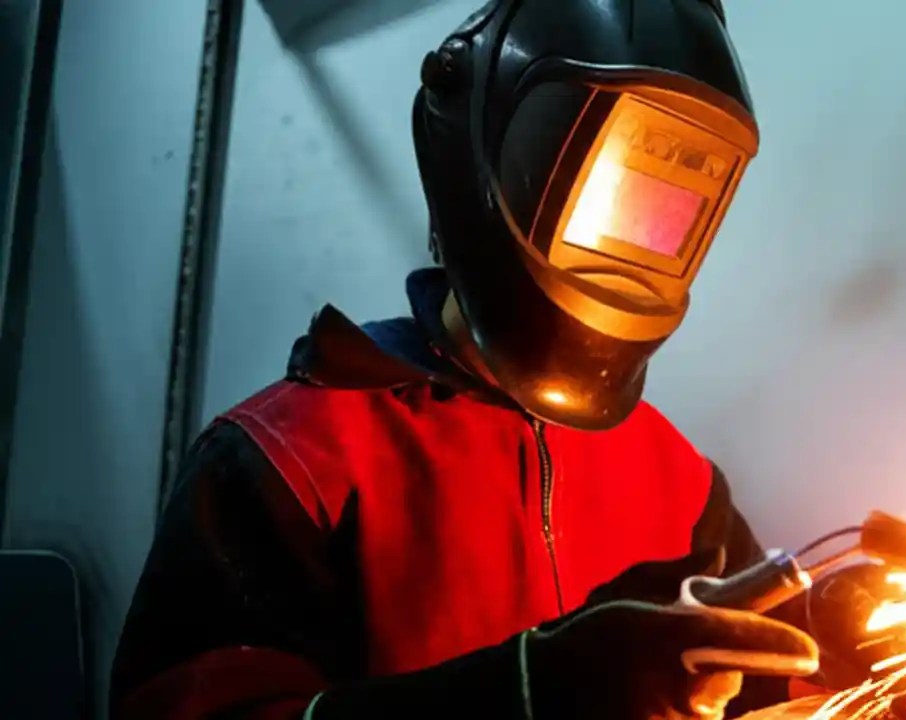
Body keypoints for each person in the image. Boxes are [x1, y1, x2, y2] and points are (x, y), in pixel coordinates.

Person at [111, 1, 830, 717]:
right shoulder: (289, 462)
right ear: (493, 166)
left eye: (665, 207)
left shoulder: (681, 484)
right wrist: (521, 694)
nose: (628, 244)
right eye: (616, 190)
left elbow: (763, 687)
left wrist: (833, 637)